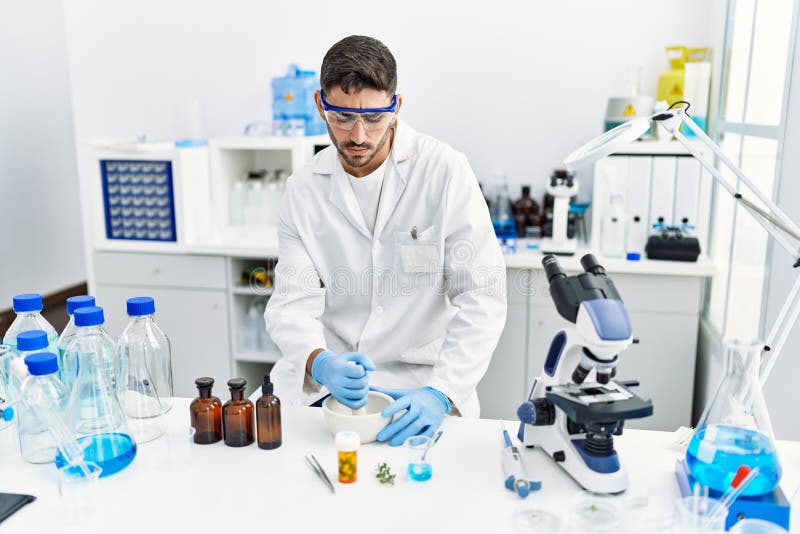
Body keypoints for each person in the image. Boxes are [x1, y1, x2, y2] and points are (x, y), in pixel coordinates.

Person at [265, 35, 506, 446]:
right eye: (342, 116)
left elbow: (482, 295)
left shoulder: (444, 171)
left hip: (423, 383)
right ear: (321, 104)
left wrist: (441, 392)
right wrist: (319, 362)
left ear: (395, 107)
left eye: (374, 117)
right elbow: (291, 301)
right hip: (334, 384)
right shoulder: (303, 189)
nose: (358, 135)